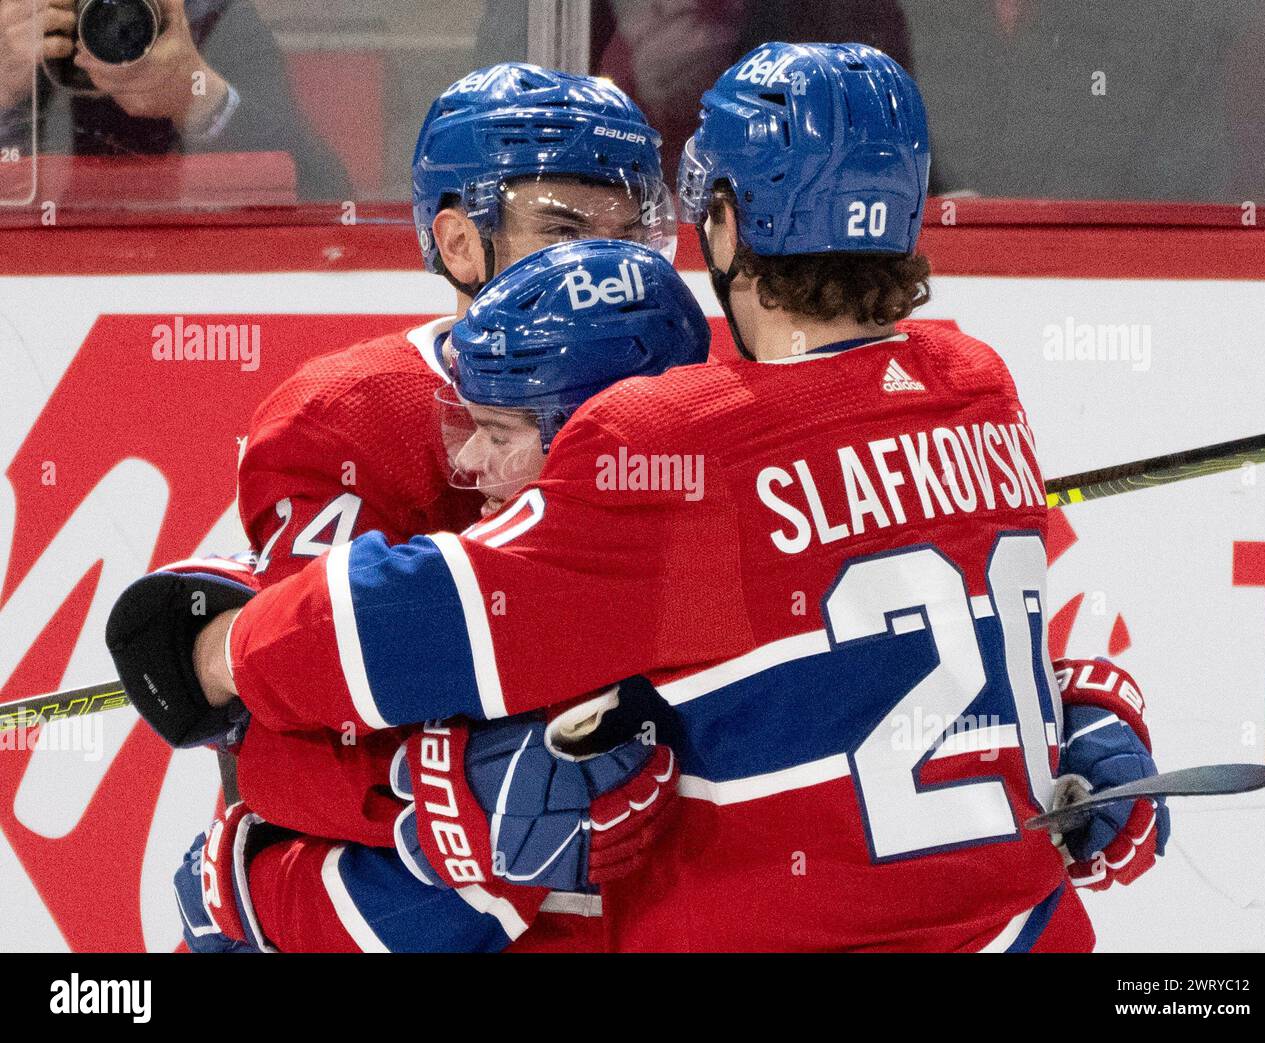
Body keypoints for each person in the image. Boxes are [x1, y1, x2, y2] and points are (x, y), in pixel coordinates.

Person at [153, 43, 1168, 951]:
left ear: (718, 220)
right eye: (562, 224)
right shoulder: (970, 378)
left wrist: (212, 647)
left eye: (634, 224)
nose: (611, 259)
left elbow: (386, 627)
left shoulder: (688, 409)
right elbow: (286, 759)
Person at [156, 237, 707, 953]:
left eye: (496, 431)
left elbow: (477, 893)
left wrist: (241, 891)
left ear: (594, 435)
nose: (468, 463)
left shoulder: (493, 593)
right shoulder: (725, 502)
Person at [0, 0, 348, 199]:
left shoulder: (214, 21)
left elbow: (322, 192)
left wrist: (200, 94)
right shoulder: (19, 21)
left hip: (189, 259)